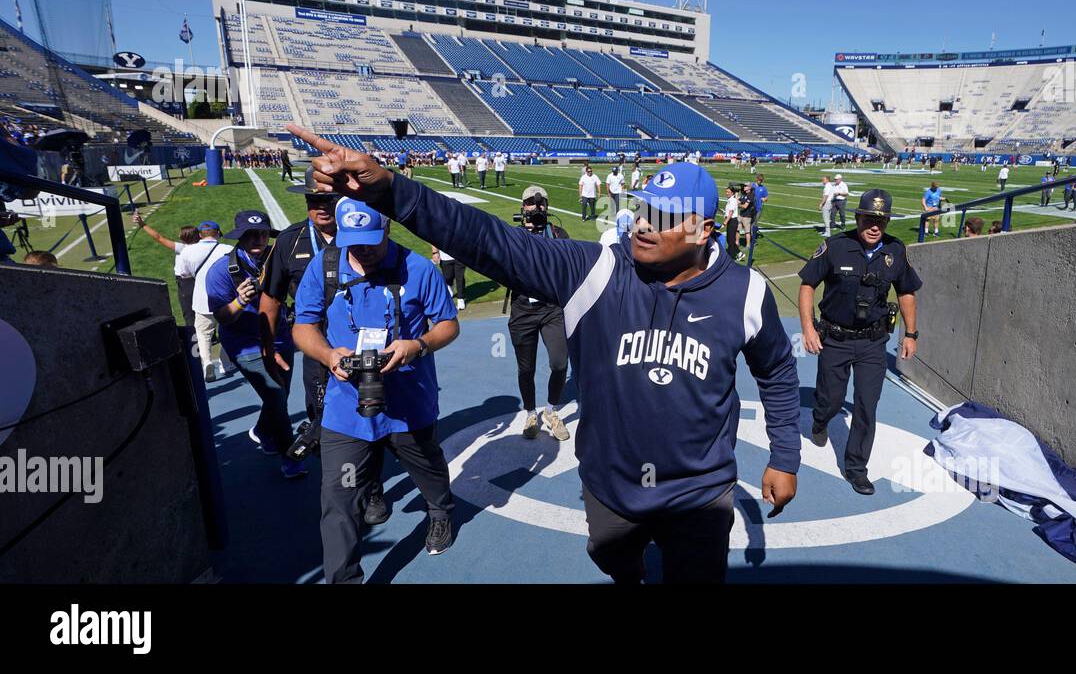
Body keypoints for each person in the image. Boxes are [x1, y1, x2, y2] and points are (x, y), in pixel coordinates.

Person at [288, 125, 800, 585]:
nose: (644, 225)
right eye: (642, 209)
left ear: (704, 230)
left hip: (699, 491)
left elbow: (776, 369)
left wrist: (784, 456)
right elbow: (493, 243)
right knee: (614, 561)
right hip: (611, 482)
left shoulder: (746, 291)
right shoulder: (595, 269)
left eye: (664, 217)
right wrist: (392, 191)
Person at [291, 198, 460, 581]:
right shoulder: (325, 266)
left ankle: (440, 510)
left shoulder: (418, 268)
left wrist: (417, 345)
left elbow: (448, 324)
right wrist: (329, 355)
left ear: (388, 229)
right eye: (354, 241)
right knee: (338, 498)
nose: (363, 250)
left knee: (428, 469)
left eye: (371, 240)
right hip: (346, 408)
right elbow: (303, 326)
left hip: (408, 402)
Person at [798, 189, 920, 495]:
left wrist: (910, 333)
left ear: (888, 221)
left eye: (881, 219)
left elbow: (906, 292)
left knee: (867, 406)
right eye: (868, 218)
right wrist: (808, 329)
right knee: (831, 399)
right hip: (835, 339)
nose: (874, 225)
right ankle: (820, 419)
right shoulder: (835, 247)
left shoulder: (896, 251)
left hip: (873, 343)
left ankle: (856, 468)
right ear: (857, 217)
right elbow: (808, 285)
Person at [206, 210, 304, 478]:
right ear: (240, 237)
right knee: (275, 394)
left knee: (278, 395)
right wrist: (239, 302)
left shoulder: (279, 258)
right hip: (244, 342)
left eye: (263, 233)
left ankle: (262, 432)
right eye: (251, 234)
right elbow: (222, 318)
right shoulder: (220, 271)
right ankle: (290, 457)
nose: (259, 239)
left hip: (280, 337)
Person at [505, 185, 573, 441]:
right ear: (523, 208)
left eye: (541, 203)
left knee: (559, 363)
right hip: (523, 309)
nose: (536, 208)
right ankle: (531, 412)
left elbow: (569, 267)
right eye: (531, 204)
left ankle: (551, 411)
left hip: (552, 308)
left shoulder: (558, 233)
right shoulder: (514, 235)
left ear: (547, 206)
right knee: (526, 369)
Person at [177, 220, 236, 382]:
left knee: (203, 334)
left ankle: (207, 363)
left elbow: (184, 274)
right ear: (217, 233)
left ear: (200, 235)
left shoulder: (188, 251)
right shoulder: (228, 249)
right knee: (228, 330)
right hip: (226, 298)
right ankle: (225, 362)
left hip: (202, 299)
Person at [135, 216, 201, 327]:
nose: (178, 235)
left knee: (188, 312)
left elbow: (158, 238)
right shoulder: (201, 247)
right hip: (198, 280)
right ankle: (211, 336)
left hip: (185, 283)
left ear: (185, 238)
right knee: (201, 309)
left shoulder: (182, 248)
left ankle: (194, 337)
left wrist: (143, 225)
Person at [430, 245, 466, 310]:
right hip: (445, 257)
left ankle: (460, 299)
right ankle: (450, 286)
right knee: (448, 276)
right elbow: (434, 240)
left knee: (460, 277)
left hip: (461, 255)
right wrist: (435, 253)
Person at [737, 182, 756, 262]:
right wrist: (737, 196)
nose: (743, 187)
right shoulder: (744, 194)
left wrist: (738, 205)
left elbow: (745, 206)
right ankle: (737, 242)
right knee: (737, 229)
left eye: (745, 186)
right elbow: (738, 200)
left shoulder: (750, 195)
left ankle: (748, 245)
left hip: (747, 216)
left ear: (749, 187)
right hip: (741, 214)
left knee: (747, 231)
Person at [722, 185, 740, 258]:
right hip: (731, 221)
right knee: (729, 239)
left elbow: (731, 213)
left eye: (728, 192)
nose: (727, 193)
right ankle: (738, 253)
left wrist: (725, 222)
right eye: (726, 192)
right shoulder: (730, 200)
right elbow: (727, 212)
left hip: (732, 221)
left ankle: (731, 255)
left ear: (732, 193)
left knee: (731, 239)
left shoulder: (732, 200)